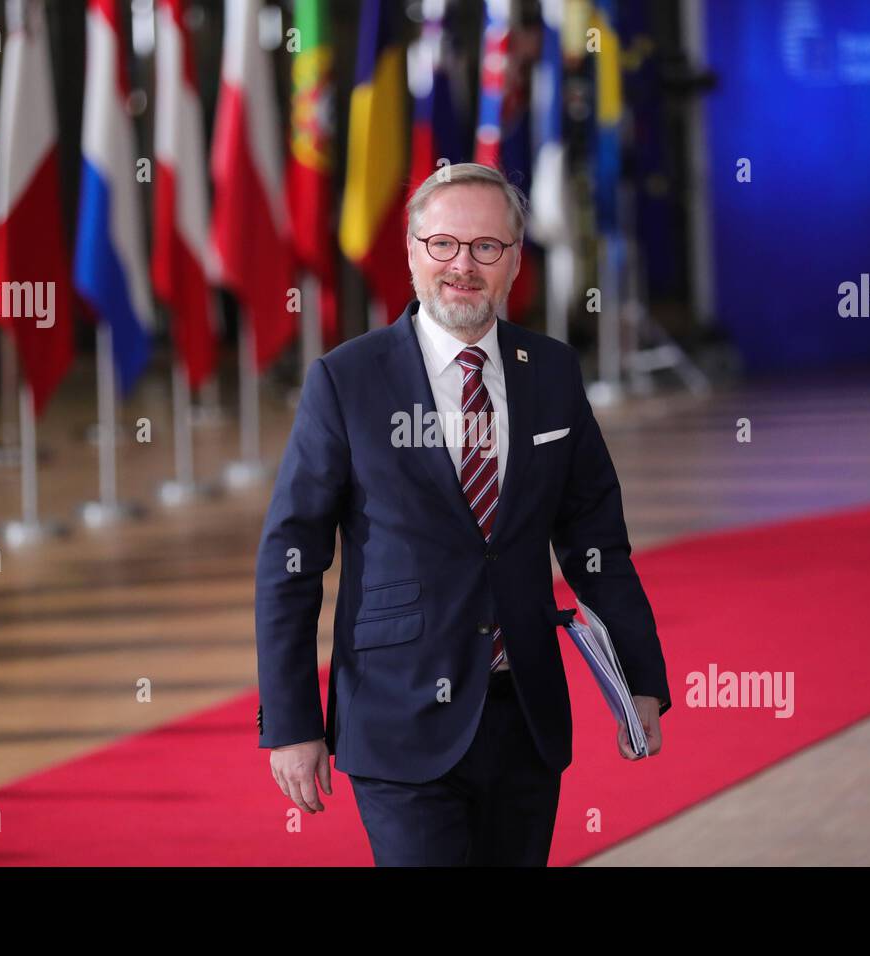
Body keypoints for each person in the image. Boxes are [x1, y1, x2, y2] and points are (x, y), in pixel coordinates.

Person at [254, 163, 671, 866]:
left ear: (514, 261)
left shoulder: (553, 372)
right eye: (443, 244)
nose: (463, 267)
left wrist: (639, 677)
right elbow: (290, 562)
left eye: (487, 248)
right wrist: (291, 722)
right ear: (412, 252)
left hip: (526, 715)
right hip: (397, 717)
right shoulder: (345, 381)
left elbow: (596, 539)